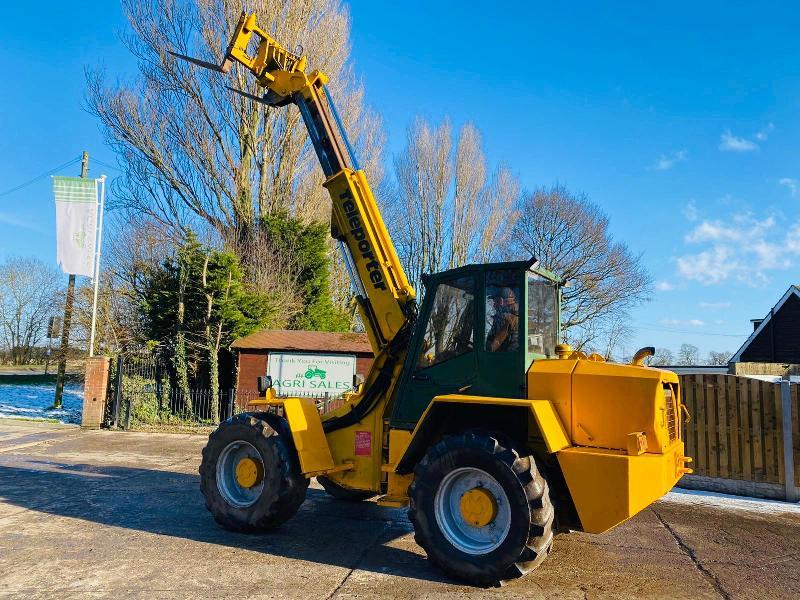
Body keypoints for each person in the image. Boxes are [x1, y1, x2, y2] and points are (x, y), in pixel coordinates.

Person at [486, 286, 519, 352]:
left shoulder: (513, 319)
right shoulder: (499, 319)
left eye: (495, 301)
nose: (494, 304)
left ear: (501, 301)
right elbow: (490, 339)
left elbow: (497, 342)